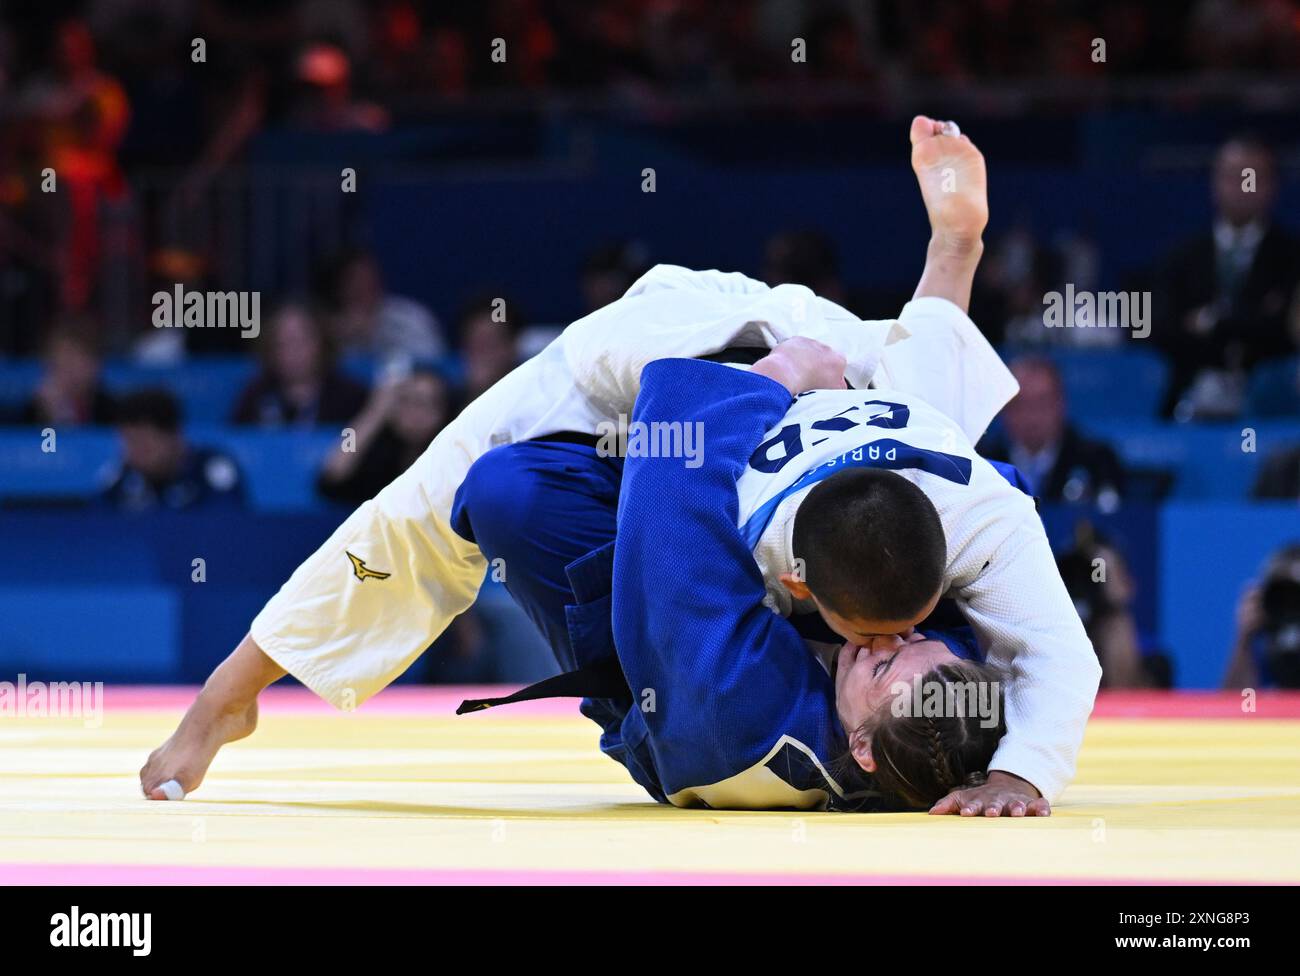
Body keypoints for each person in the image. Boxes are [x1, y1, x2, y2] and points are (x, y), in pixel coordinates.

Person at [139, 118, 1096, 816]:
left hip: (731, 399)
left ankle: (907, 282)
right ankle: (229, 699)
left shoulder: (965, 526)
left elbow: (1059, 654)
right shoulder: (796, 499)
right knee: (419, 509)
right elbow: (905, 382)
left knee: (480, 494)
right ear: (797, 584)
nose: (888, 641)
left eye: (901, 644)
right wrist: (931, 261)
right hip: (644, 372)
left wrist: (1021, 772)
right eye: (891, 636)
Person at [453, 342, 1009, 811]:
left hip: (664, 673)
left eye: (882, 662)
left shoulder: (740, 706)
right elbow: (999, 513)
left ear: (860, 746)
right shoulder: (939, 706)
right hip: (749, 633)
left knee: (506, 492)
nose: (889, 637)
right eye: (918, 638)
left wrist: (777, 375)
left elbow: (673, 510)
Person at [1152, 135, 1300, 419]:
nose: (1243, 187)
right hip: (1189, 401)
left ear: (1272, 186)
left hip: (1275, 406)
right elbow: (1162, 328)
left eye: (1252, 177)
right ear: (1214, 182)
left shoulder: (1292, 256)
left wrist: (1210, 321)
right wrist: (1251, 319)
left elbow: (1286, 332)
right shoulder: (1182, 257)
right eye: (1233, 176)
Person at [980, 355, 1126, 508]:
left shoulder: (1098, 462)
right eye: (1021, 404)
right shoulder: (983, 465)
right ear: (1004, 408)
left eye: (1041, 403)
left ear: (1061, 404)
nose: (1032, 415)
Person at [317, 365, 453, 505]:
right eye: (406, 400)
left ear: (444, 411)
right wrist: (374, 411)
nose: (415, 411)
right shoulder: (372, 446)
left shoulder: (452, 455)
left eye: (425, 402)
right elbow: (333, 470)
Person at [102, 389, 244, 512]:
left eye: (144, 443)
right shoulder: (121, 478)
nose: (135, 452)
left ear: (174, 437)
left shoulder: (212, 471)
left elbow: (227, 527)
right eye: (129, 442)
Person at [231, 302, 368, 428]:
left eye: (301, 340)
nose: (293, 351)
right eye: (282, 343)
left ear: (322, 342)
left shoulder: (350, 397)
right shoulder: (256, 396)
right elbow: (236, 444)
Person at [20, 322, 116, 426]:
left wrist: (66, 417)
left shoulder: (113, 411)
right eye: (61, 359)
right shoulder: (31, 411)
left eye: (77, 359)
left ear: (95, 365)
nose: (69, 370)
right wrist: (53, 414)